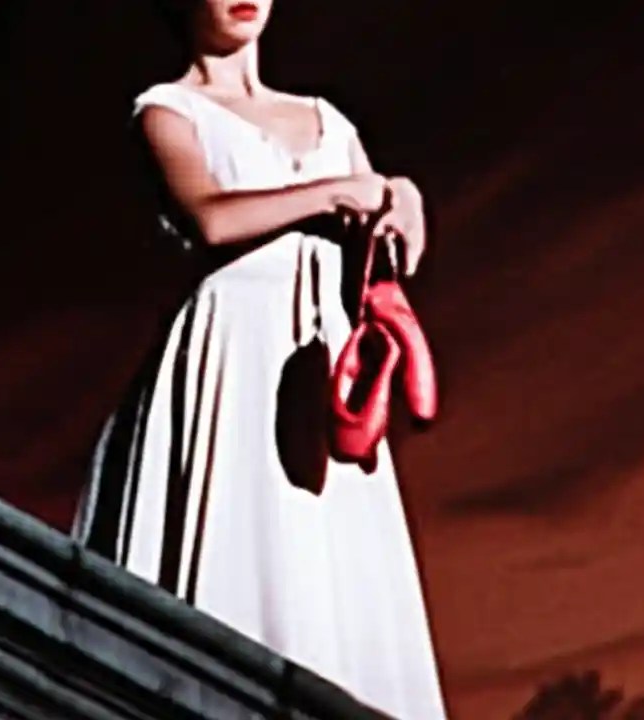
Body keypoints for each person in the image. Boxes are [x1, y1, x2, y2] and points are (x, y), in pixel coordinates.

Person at [70, 1, 447, 717]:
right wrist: (340, 192)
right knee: (244, 564)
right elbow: (209, 216)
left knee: (334, 585)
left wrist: (404, 200)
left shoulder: (330, 121)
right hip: (233, 359)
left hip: (321, 363)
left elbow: (398, 252)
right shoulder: (167, 111)